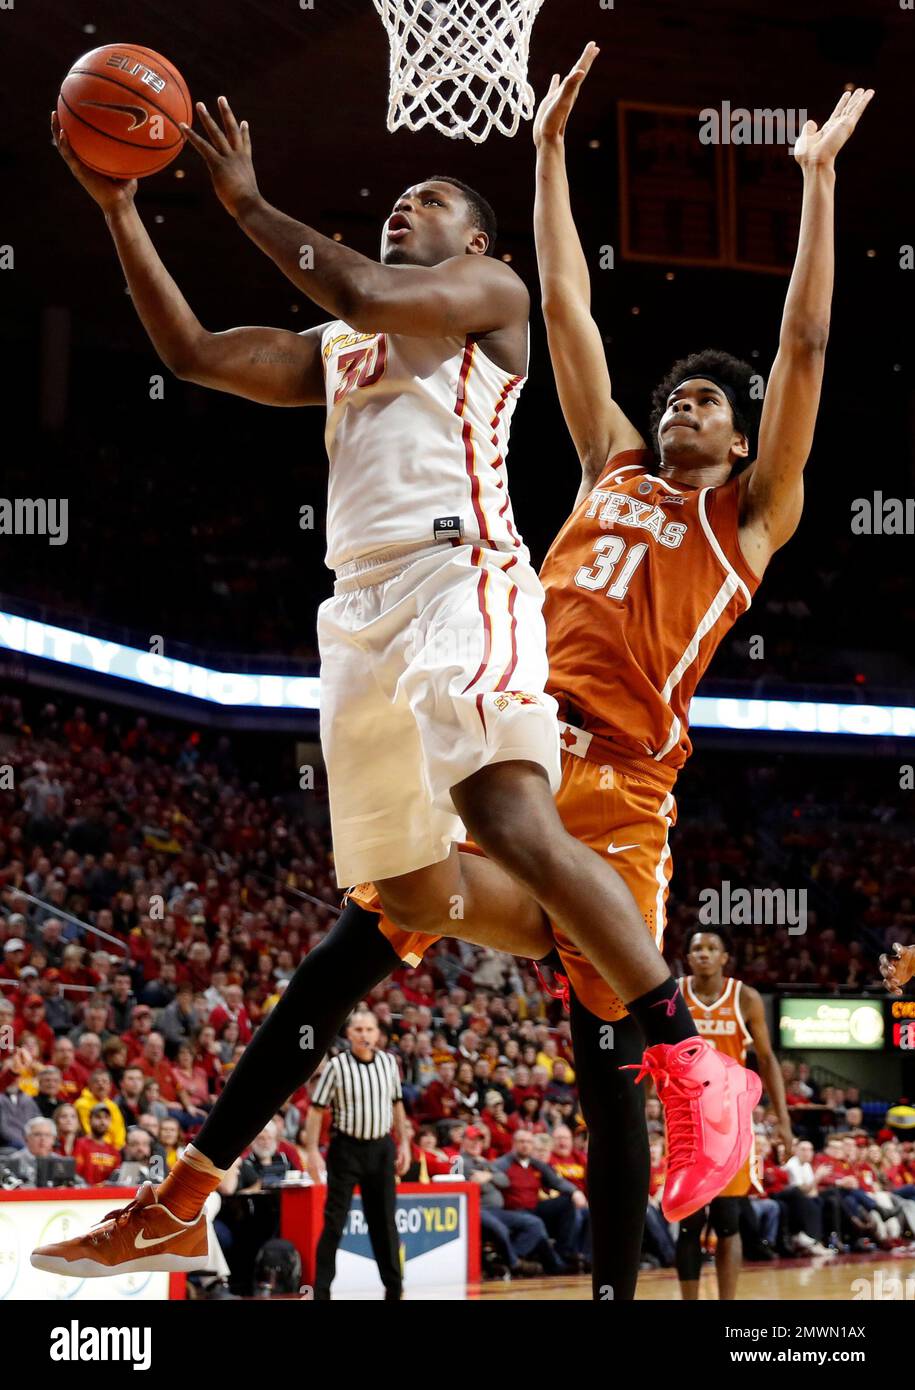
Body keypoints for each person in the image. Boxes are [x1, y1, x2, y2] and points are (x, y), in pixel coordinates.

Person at [45, 72, 750, 1239]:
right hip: (357, 614)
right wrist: (120, 208)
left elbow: (368, 283)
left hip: (461, 576)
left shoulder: (489, 298)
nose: (401, 211)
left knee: (510, 811)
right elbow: (196, 352)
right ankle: (186, 1204)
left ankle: (685, 1048)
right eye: (398, 201)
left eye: (426, 200)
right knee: (402, 891)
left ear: (471, 242)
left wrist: (245, 204)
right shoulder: (344, 348)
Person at [675, 930, 793, 1299]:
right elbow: (653, 1048)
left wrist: (783, 1121)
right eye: (697, 949)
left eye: (712, 949)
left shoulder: (745, 998)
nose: (704, 954)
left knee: (727, 1221)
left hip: (730, 1124)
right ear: (689, 956)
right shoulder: (674, 993)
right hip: (685, 1123)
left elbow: (768, 1059)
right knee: (689, 1223)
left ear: (725, 957)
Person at [307, 1010, 410, 1301]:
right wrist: (313, 1150)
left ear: (378, 1034)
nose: (364, 1035)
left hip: (381, 1149)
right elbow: (316, 1110)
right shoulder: (337, 1066)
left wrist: (404, 1144)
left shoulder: (390, 1063)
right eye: (359, 1030)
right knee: (334, 1222)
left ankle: (395, 1289)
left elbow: (397, 1105)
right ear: (349, 1034)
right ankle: (322, 1291)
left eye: (369, 1029)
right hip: (346, 1150)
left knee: (385, 1223)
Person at [452, 1124, 543, 1279]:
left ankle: (507, 1260)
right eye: (472, 1140)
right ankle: (514, 1263)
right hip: (475, 1209)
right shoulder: (459, 1160)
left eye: (479, 1140)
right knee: (499, 1228)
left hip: (497, 1211)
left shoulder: (484, 1162)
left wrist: (489, 1176)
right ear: (463, 1141)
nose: (476, 1144)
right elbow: (456, 1182)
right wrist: (478, 1179)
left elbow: (505, 1181)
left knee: (534, 1224)